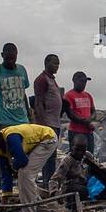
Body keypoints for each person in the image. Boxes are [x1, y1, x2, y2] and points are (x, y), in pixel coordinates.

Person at [0, 123, 57, 203]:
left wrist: (14, 169)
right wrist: (5, 197)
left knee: (25, 174)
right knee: (23, 174)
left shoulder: (11, 137)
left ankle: (29, 208)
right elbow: (5, 173)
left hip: (47, 138)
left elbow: (22, 160)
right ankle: (36, 200)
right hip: (35, 144)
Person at [32, 54, 66, 185]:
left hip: (55, 123)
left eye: (58, 64)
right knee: (48, 156)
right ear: (46, 63)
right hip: (48, 125)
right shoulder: (41, 80)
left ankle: (50, 183)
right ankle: (47, 183)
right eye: (54, 63)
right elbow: (38, 103)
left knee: (52, 156)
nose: (57, 66)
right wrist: (44, 126)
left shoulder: (52, 80)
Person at [0, 42, 32, 129]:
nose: (10, 61)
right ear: (2, 55)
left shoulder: (22, 70)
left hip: (23, 121)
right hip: (5, 122)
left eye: (13, 58)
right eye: (8, 58)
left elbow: (23, 94)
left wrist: (29, 116)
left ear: (17, 55)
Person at [49, 132, 91, 204]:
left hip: (85, 184)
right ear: (72, 147)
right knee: (83, 190)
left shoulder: (87, 156)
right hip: (70, 188)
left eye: (83, 150)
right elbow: (54, 179)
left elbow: (98, 167)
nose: (80, 153)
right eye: (77, 149)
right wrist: (55, 193)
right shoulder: (67, 161)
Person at [64, 71, 96, 156]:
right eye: (82, 81)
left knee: (89, 156)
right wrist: (85, 121)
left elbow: (94, 112)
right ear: (74, 81)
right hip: (76, 132)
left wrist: (90, 119)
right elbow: (71, 114)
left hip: (88, 132)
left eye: (85, 82)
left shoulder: (88, 95)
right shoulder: (68, 95)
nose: (84, 84)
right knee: (75, 157)